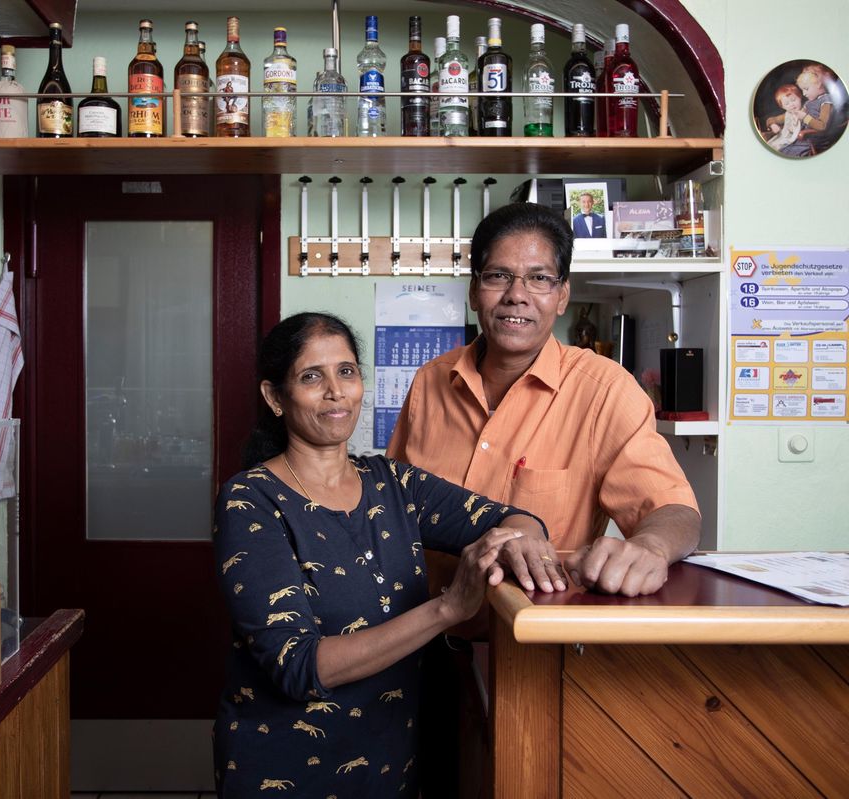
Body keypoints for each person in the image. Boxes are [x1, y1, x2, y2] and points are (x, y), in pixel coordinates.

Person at [211, 312, 559, 798]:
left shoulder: (392, 482)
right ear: (275, 397)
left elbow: (507, 517)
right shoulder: (251, 500)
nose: (336, 391)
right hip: (286, 768)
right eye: (312, 376)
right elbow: (300, 667)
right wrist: (448, 608)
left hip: (388, 762)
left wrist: (521, 540)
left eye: (347, 372)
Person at [389, 202, 701, 595]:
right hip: (422, 634)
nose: (517, 295)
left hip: (536, 643)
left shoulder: (603, 391)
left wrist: (650, 547)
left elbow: (673, 509)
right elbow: (390, 509)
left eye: (539, 278)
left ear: (562, 295)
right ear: (473, 291)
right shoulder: (429, 381)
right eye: (499, 276)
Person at [764, 83, 805, 151]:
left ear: (800, 97)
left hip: (800, 141)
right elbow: (770, 120)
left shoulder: (806, 110)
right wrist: (773, 125)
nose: (791, 104)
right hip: (787, 138)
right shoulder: (787, 114)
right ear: (782, 107)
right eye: (786, 103)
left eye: (793, 100)